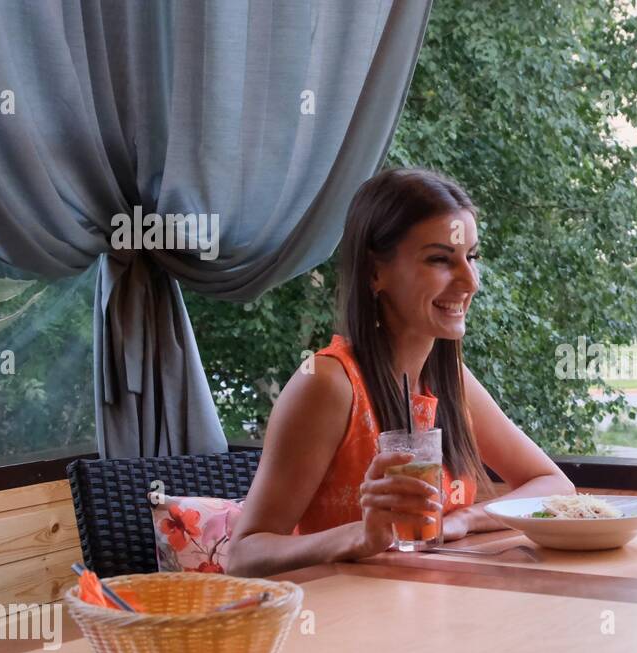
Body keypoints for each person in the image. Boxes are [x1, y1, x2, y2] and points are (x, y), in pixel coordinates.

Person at [227, 169, 574, 577]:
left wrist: (463, 520)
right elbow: (244, 557)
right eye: (440, 259)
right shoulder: (326, 383)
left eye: (472, 257)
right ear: (376, 273)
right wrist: (362, 536)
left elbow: (552, 485)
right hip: (341, 623)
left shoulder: (450, 381)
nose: (470, 281)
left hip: (428, 607)